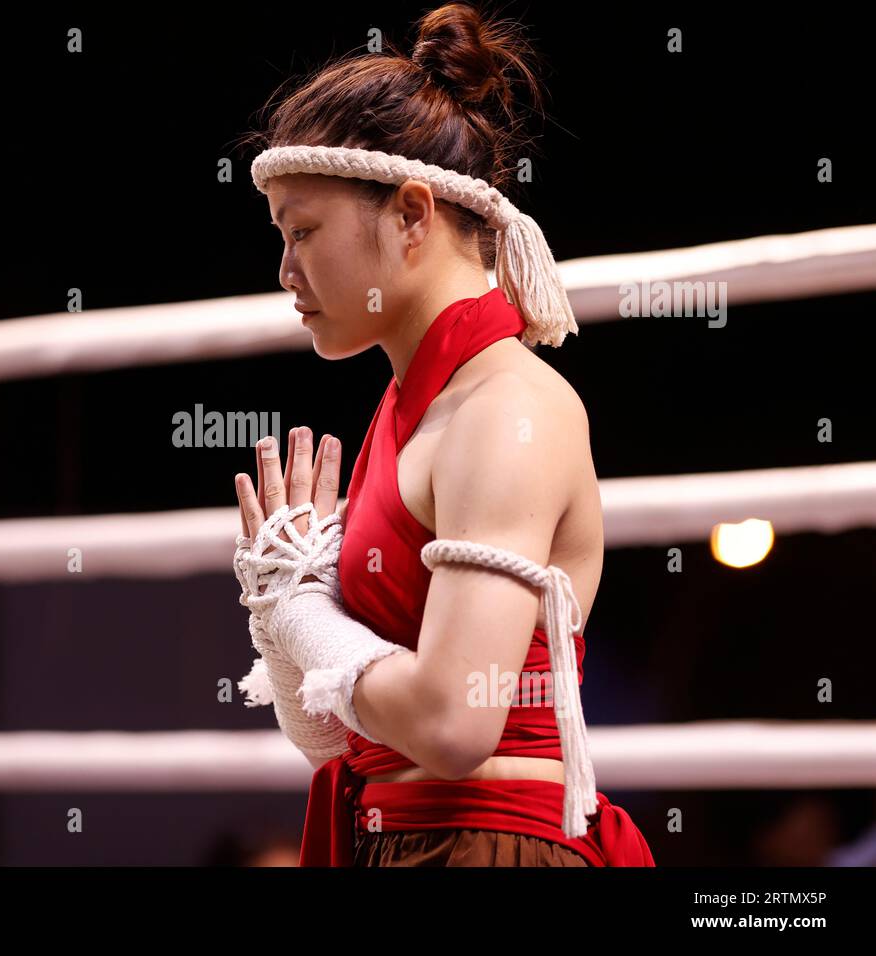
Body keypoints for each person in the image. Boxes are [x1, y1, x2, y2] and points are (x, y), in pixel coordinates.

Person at [231, 2, 654, 867]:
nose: (286, 270)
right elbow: (339, 739)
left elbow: (454, 724)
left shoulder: (508, 410)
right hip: (397, 837)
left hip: (490, 847)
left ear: (412, 214)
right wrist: (278, 621)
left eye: (303, 230)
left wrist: (303, 614)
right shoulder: (407, 413)